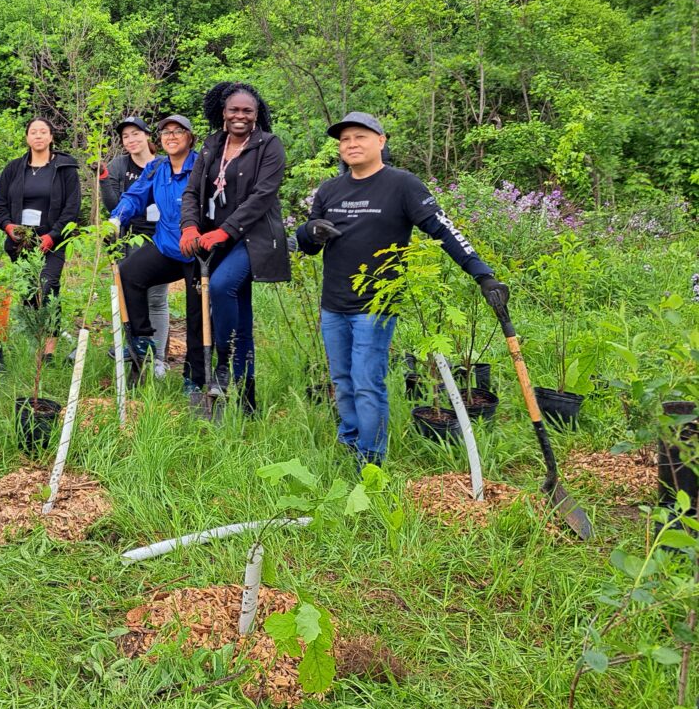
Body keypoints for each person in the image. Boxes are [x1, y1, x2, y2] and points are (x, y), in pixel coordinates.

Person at [296, 111, 508, 467]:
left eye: (359, 136)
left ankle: (371, 459)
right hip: (333, 304)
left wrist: (483, 275)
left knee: (366, 382)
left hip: (375, 306)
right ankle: (348, 442)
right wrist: (310, 231)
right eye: (344, 139)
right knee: (342, 381)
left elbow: (444, 230)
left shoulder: (403, 185)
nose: (351, 144)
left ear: (381, 141)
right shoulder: (330, 190)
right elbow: (309, 245)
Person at [179, 82, 291, 414]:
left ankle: (223, 364)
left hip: (252, 239)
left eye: (247, 111)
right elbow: (191, 191)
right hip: (214, 239)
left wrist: (226, 231)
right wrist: (189, 226)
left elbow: (262, 197)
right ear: (223, 113)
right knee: (240, 317)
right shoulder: (212, 145)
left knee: (222, 286)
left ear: (257, 115)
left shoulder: (270, 146)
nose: (240, 116)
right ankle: (247, 402)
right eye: (234, 110)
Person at [107, 116, 201, 394]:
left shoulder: (202, 166)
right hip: (167, 246)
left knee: (197, 314)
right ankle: (143, 339)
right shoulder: (157, 167)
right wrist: (117, 219)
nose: (171, 136)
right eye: (166, 132)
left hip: (197, 251)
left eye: (178, 131)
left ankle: (194, 378)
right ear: (159, 138)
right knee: (128, 273)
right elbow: (135, 197)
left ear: (189, 137)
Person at [0, 118, 83, 361]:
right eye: (34, 132)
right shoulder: (13, 168)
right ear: (27, 137)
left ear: (52, 137)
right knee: (29, 293)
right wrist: (8, 226)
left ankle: (49, 352)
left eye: (44, 132)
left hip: (52, 240)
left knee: (48, 288)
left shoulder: (65, 168)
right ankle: (35, 344)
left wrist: (53, 236)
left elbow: (72, 208)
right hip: (20, 241)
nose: (39, 136)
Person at [100, 116, 171, 376]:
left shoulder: (164, 164)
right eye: (125, 136)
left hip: (160, 238)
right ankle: (133, 351)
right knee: (129, 297)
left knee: (156, 299)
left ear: (147, 135)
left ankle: (159, 359)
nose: (131, 140)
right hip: (128, 238)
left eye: (135, 134)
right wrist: (104, 178)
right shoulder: (119, 165)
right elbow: (113, 206)